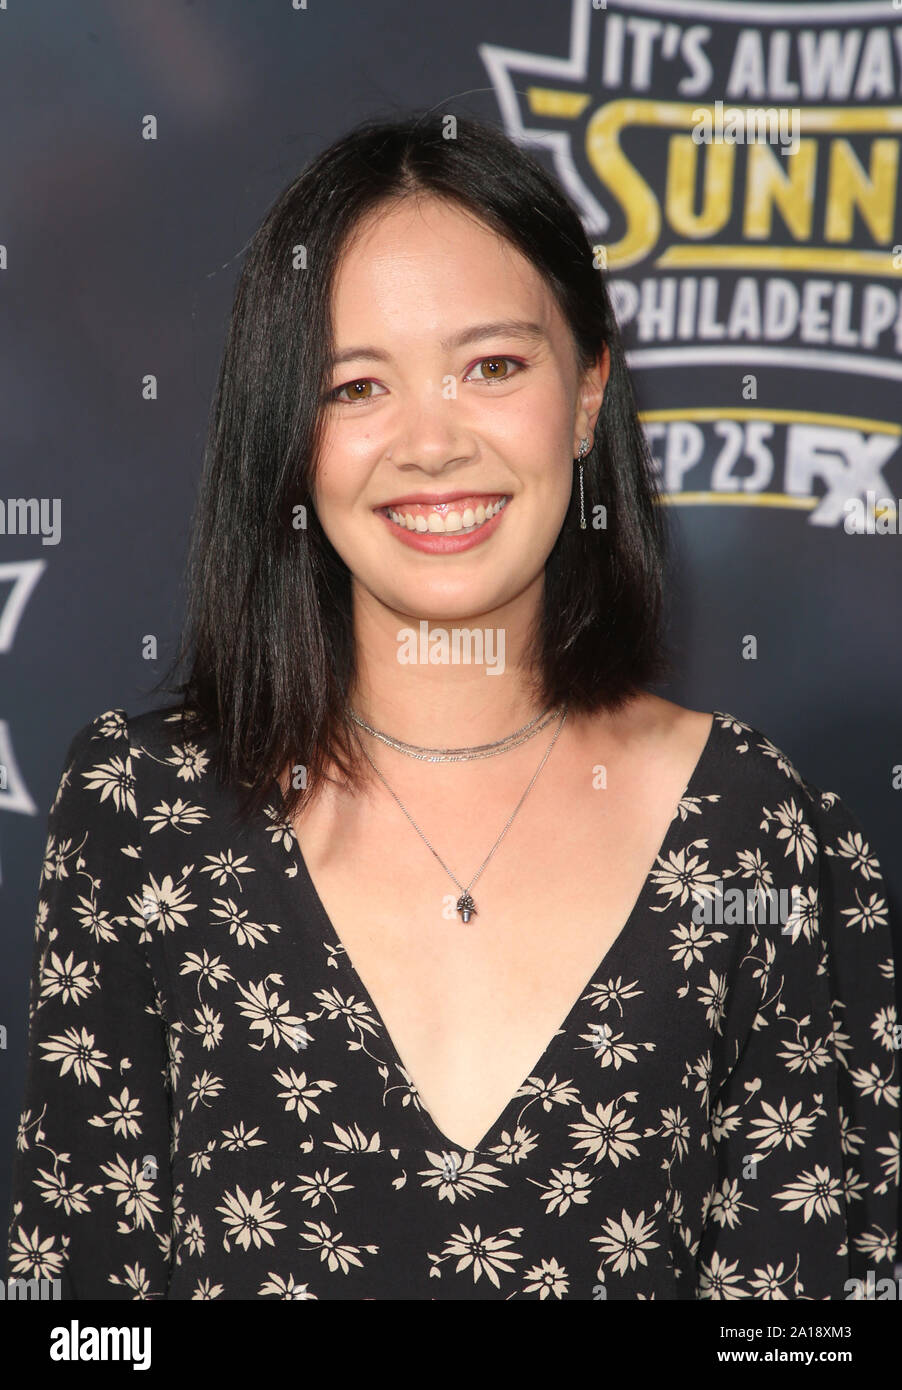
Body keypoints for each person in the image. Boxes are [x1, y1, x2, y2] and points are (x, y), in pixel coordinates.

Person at [6, 114, 898, 1301]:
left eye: (492, 366)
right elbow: (78, 1322)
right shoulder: (141, 815)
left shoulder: (751, 828)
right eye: (356, 385)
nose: (429, 444)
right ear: (290, 439)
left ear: (586, 397)